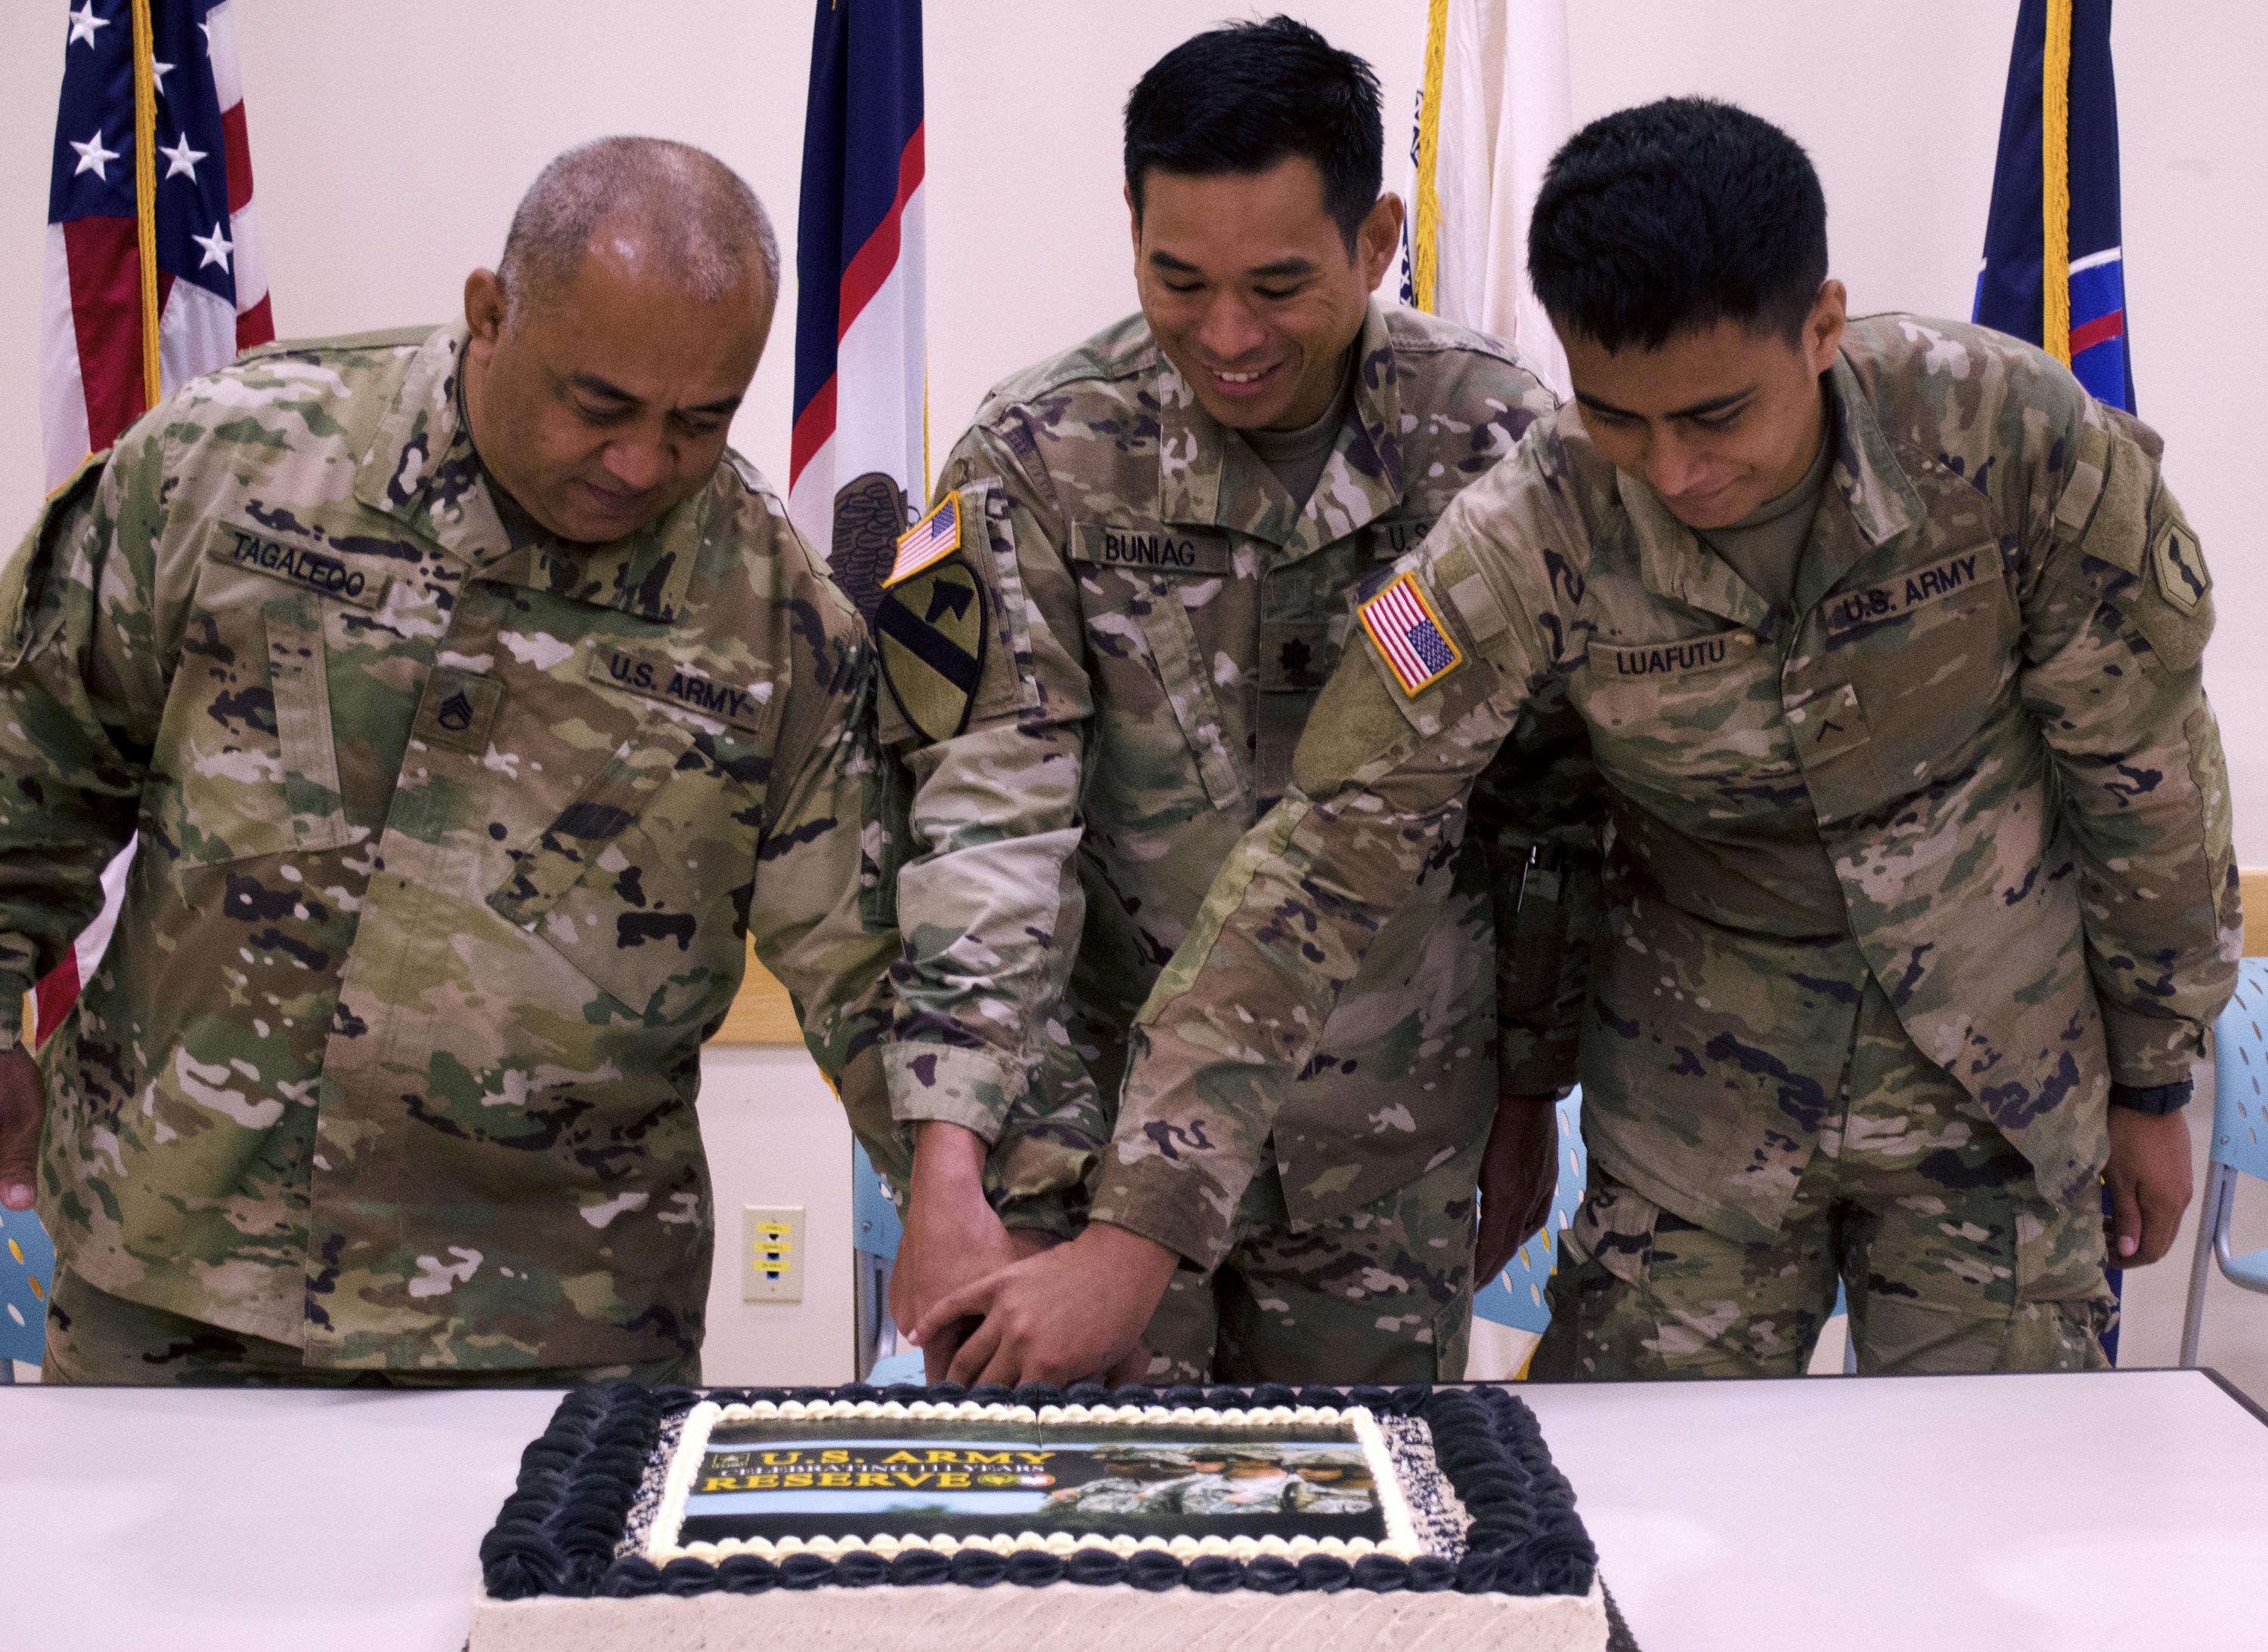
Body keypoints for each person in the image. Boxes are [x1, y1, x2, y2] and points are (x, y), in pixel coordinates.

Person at [919, 98, 2236, 1384]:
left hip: (2000, 1093)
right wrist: (1139, 1227)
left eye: (1716, 416)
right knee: (1631, 1532)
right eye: (1619, 416)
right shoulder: (1535, 521)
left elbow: (2146, 775)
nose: (1671, 473)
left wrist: (2155, 1077)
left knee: (1990, 1524)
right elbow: (1321, 855)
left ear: (1821, 325)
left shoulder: (2008, 438)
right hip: (1704, 1114)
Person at [0, 138, 895, 1385]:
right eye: (600, 405)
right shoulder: (237, 466)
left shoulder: (773, 621)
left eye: (700, 422)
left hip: (550, 1334)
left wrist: (985, 1211)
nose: (643, 463)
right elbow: (28, 758)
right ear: (491, 312)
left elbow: (875, 972)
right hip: (174, 1282)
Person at [871, 15, 1587, 1386]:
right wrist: (948, 1154)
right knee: (1096, 1572)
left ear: (1377, 240)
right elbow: (989, 822)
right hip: (1088, 1148)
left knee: (1365, 1558)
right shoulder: (1041, 457)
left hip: (1382, 1144)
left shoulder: (1494, 443)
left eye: (1277, 283)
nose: (1229, 335)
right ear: (1130, 230)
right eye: (1176, 278)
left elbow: (1544, 811)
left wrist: (1523, 1087)